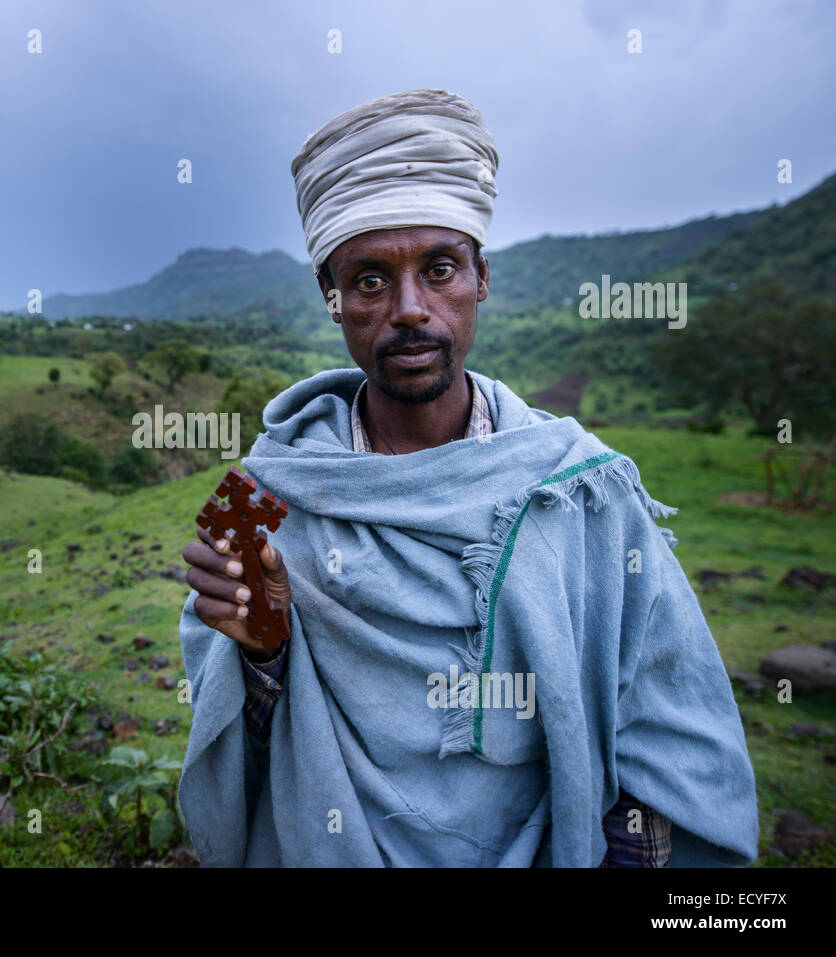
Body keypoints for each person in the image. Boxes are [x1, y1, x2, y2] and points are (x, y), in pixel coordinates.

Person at [176, 89, 758, 867]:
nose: (411, 308)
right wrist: (264, 654)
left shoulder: (580, 490)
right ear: (334, 299)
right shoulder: (260, 501)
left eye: (440, 268)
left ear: (482, 277)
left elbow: (662, 725)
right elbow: (226, 748)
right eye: (371, 279)